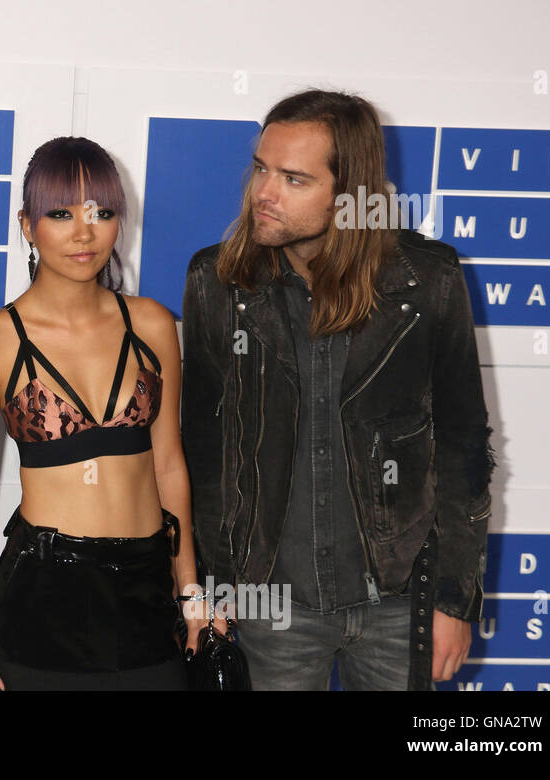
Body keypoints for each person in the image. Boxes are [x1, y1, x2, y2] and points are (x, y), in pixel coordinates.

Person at [181, 89, 494, 690]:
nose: (263, 194)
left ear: (349, 194)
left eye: (294, 179)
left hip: (400, 599)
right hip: (273, 605)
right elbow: (206, 450)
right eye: (262, 169)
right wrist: (213, 590)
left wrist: (454, 600)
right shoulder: (219, 282)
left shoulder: (426, 281)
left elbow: (463, 446)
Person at [0, 137, 204, 691]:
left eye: (102, 213)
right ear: (26, 224)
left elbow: (168, 464)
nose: (84, 233)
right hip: (42, 589)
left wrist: (190, 589)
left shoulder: (153, 325)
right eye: (60, 214)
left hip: (146, 589)